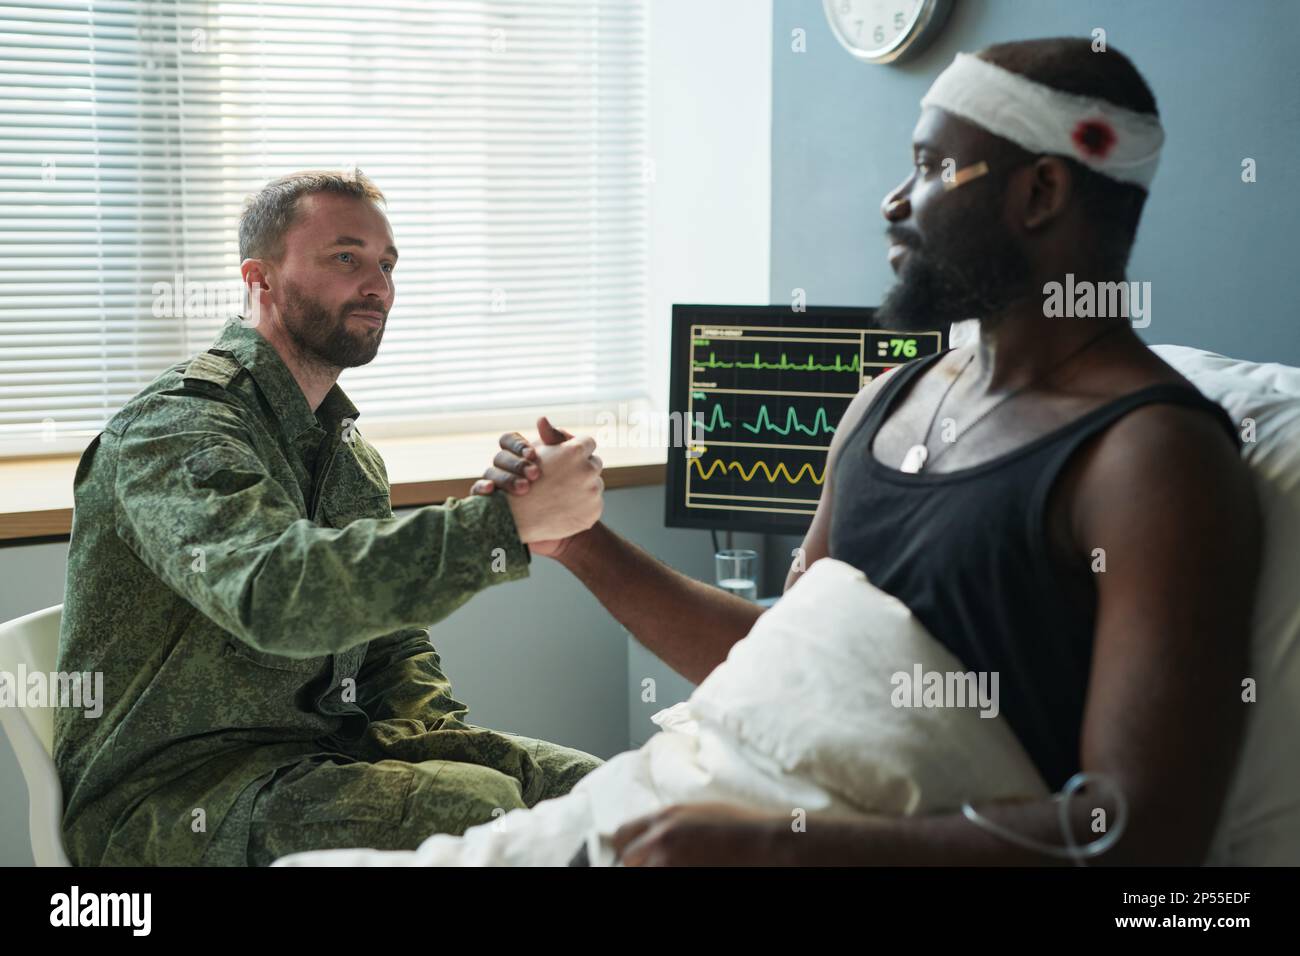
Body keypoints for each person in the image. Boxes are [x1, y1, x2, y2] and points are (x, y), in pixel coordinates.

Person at [476, 38, 1262, 865]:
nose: (894, 202)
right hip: (652, 815)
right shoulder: (884, 406)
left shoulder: (1149, 460)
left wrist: (783, 851)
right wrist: (576, 541)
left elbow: (1140, 833)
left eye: (929, 167)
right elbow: (773, 671)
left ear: (1040, 191)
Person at [55, 169, 606, 866]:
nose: (377, 284)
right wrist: (499, 526)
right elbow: (276, 594)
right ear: (260, 278)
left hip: (321, 761)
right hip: (168, 799)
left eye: (386, 263)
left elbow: (393, 650)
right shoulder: (175, 430)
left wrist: (448, 746)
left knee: (594, 793)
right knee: (480, 810)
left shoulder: (348, 453)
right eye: (345, 258)